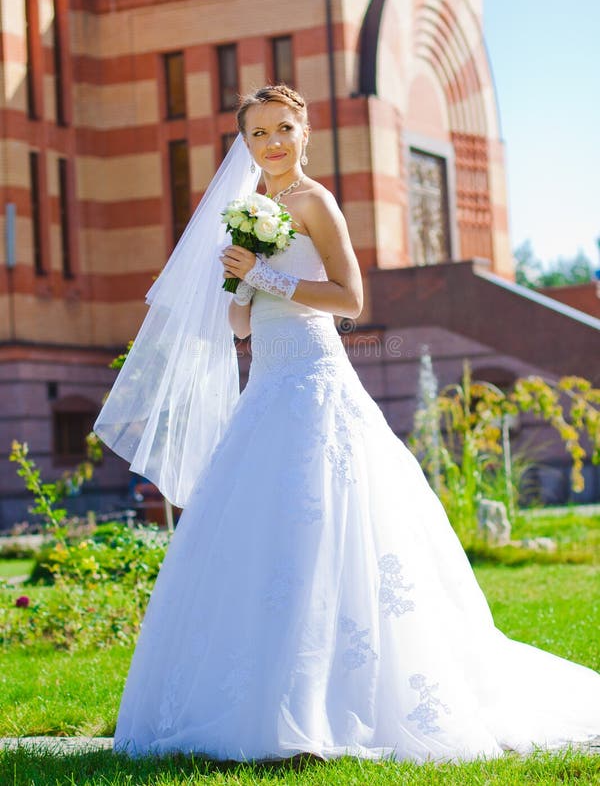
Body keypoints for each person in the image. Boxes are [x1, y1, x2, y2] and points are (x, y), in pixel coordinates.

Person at [99, 84, 600, 764]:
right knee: (262, 536)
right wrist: (239, 283)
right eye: (257, 134)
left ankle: (340, 705)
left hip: (317, 380)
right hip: (266, 387)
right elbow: (240, 326)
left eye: (283, 129)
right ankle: (261, 700)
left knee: (333, 522)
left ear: (303, 133)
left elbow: (350, 298)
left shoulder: (313, 202)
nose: (271, 143)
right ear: (244, 143)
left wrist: (268, 279)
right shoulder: (252, 212)